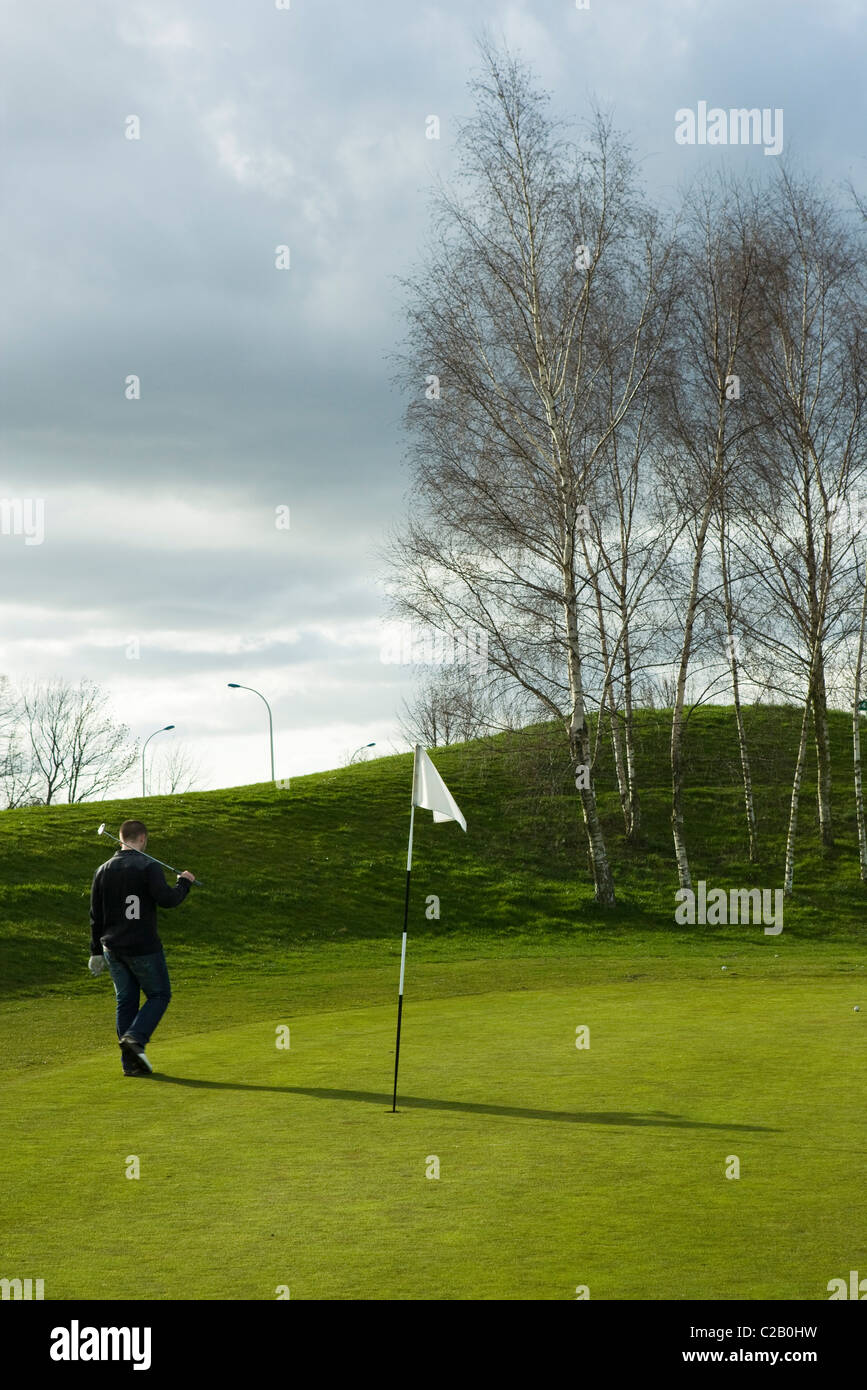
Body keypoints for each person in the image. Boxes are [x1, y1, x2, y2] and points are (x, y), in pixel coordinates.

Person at [88, 819, 195, 1076]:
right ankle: (135, 1038)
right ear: (143, 838)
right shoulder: (148, 866)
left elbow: (96, 916)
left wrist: (94, 951)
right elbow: (168, 899)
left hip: (111, 948)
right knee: (159, 995)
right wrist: (184, 883)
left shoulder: (102, 870)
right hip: (143, 946)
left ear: (122, 837)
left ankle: (131, 1065)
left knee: (126, 1002)